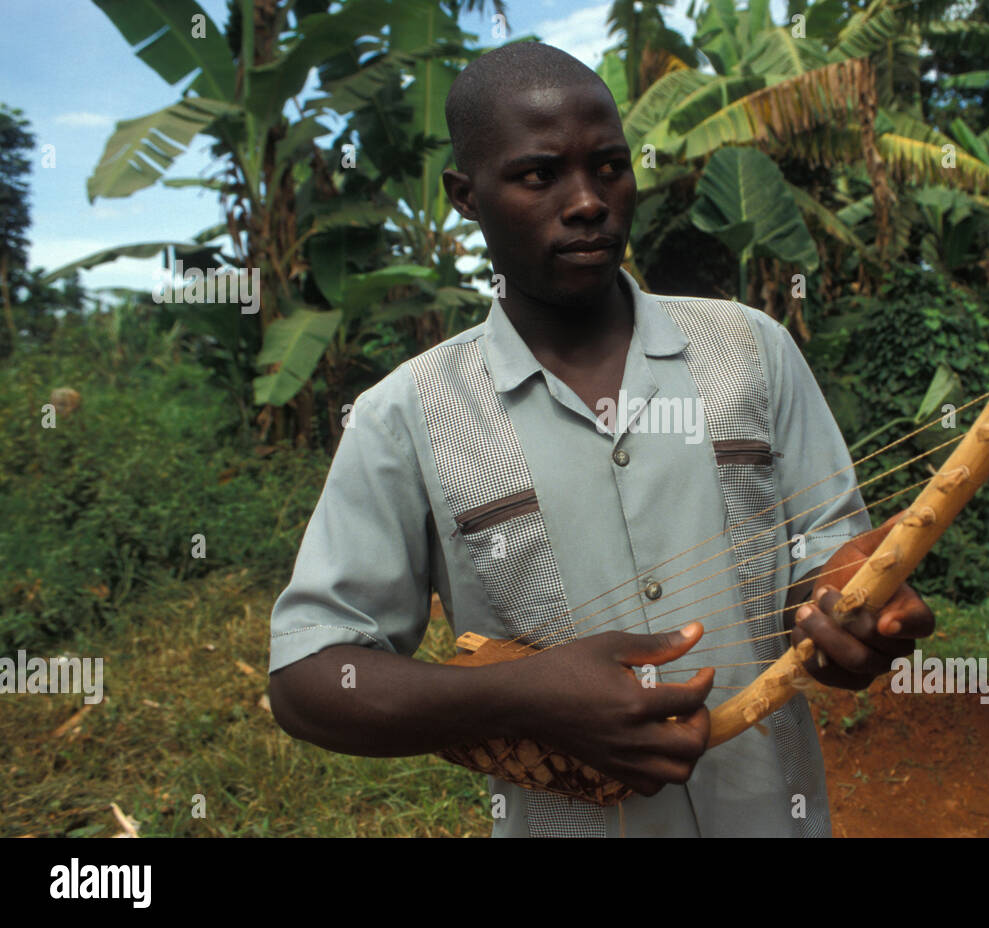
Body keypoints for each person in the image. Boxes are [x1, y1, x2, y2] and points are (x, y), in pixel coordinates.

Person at [267, 41, 934, 838]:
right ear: (465, 194)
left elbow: (822, 571)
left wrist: (848, 618)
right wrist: (525, 695)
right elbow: (308, 678)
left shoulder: (751, 351)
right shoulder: (407, 416)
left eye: (611, 166)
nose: (587, 201)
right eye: (538, 175)